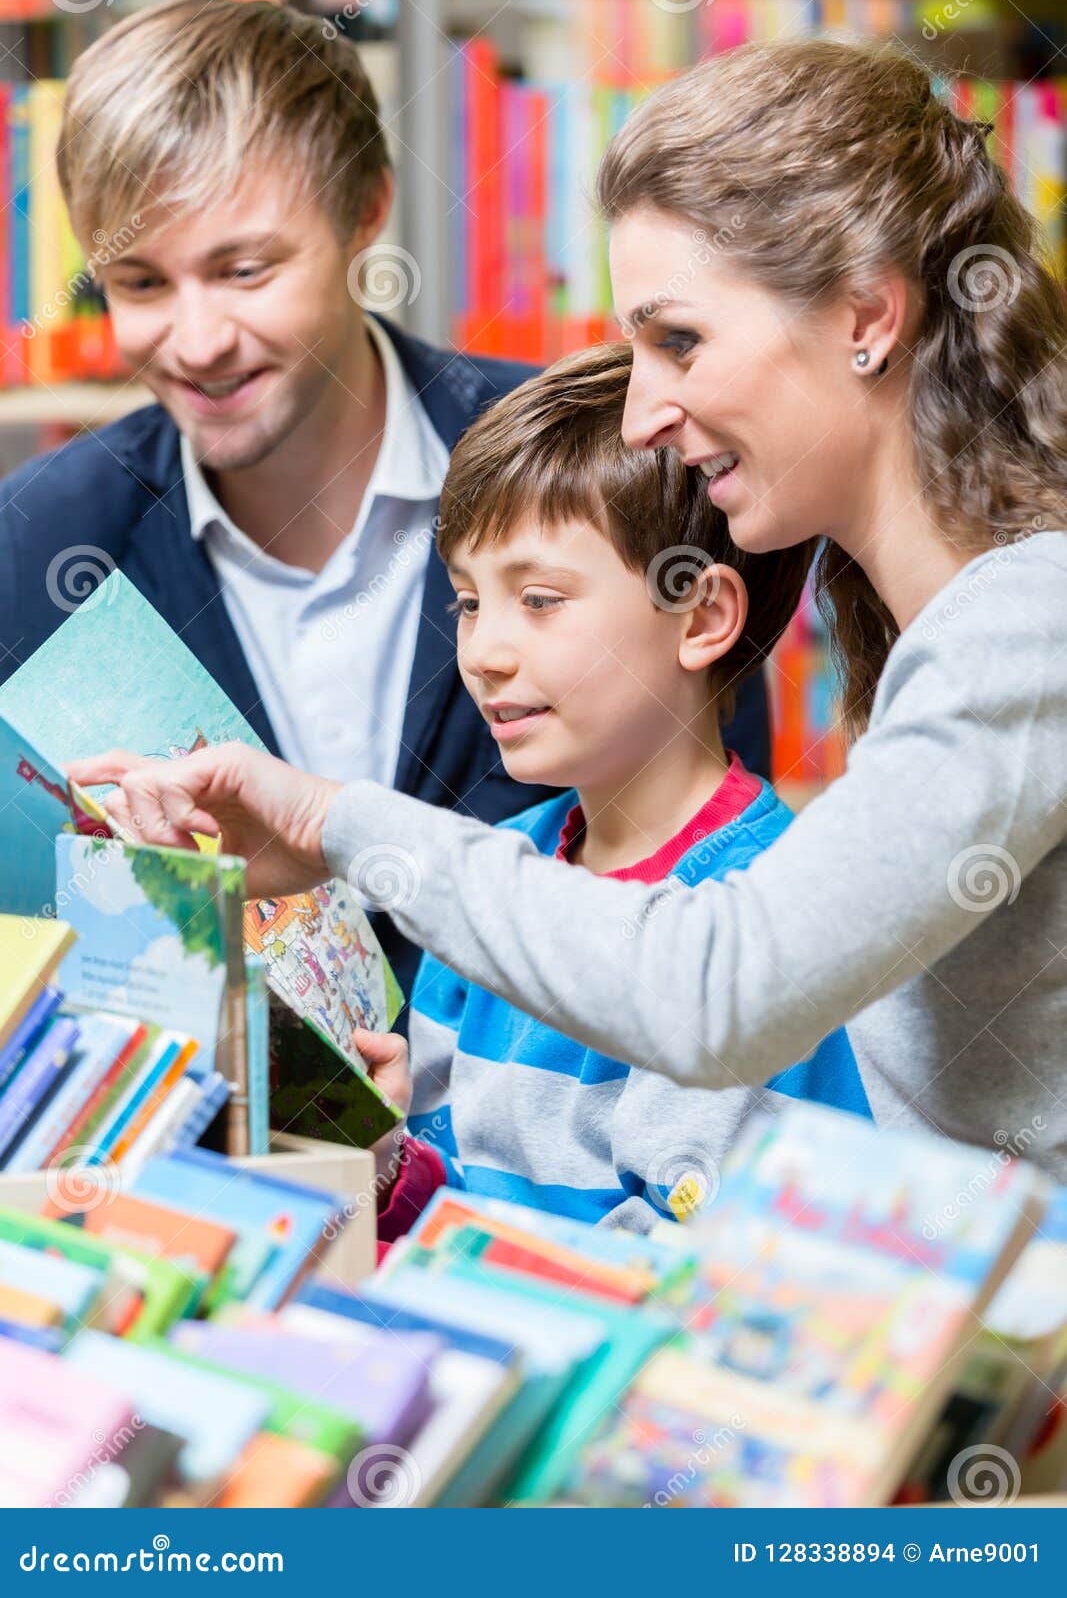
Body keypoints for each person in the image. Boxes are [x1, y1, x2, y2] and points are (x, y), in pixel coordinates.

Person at [70, 38, 1067, 1181]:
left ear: (865, 318)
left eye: (677, 339)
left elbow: (720, 990)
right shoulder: (935, 622)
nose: (642, 412)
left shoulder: (1019, 627)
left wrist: (329, 819)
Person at [0, 0, 772, 1013]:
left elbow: (714, 846)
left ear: (366, 209)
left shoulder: (596, 461)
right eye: (140, 285)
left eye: (245, 269)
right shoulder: (40, 544)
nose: (195, 341)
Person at [356, 341, 869, 1236]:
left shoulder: (773, 923)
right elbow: (462, 1202)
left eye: (541, 600)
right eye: (469, 602)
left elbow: (719, 1284)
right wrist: (390, 1168)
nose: (481, 652)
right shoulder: (487, 877)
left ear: (700, 616)